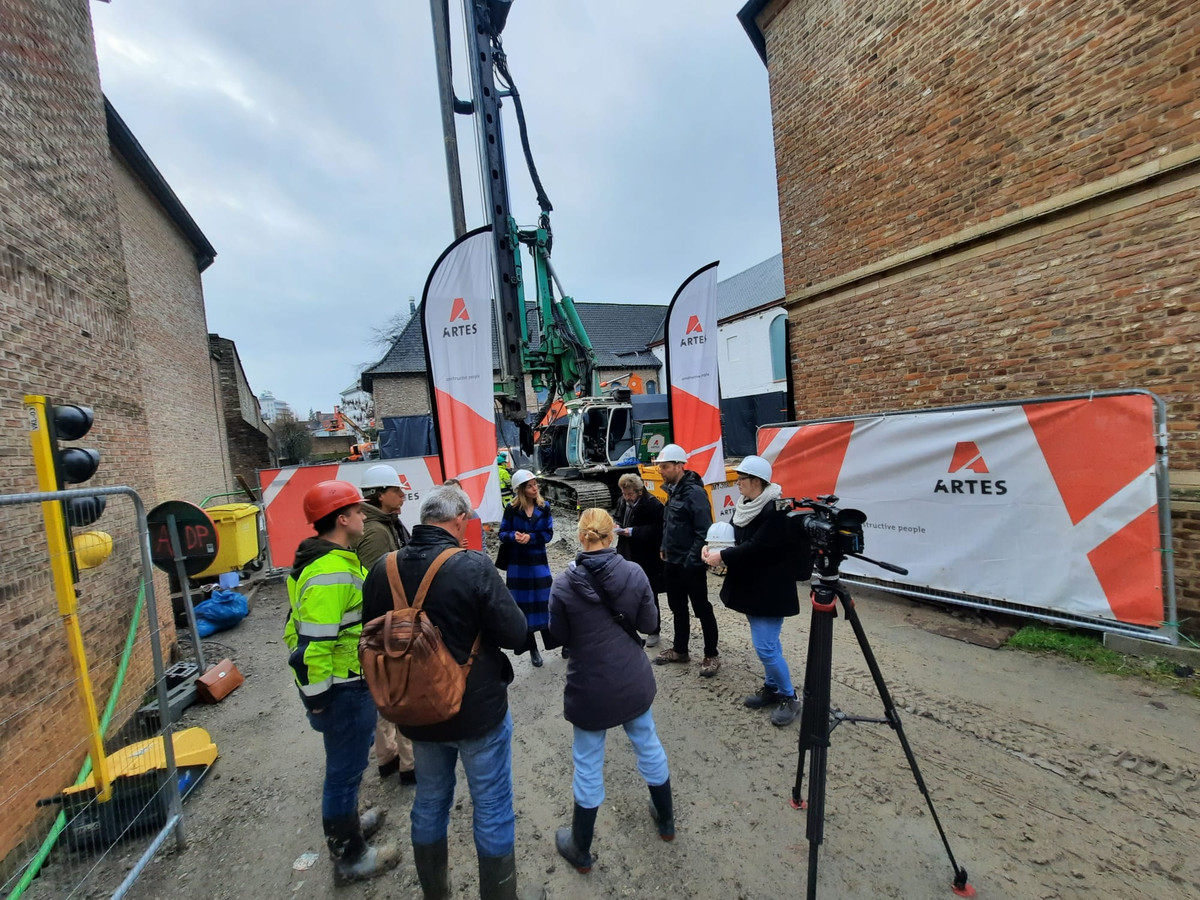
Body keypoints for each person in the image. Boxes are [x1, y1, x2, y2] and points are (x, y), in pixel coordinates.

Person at [360, 486, 544, 900]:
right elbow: (516, 633)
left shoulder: (381, 568)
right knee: (492, 806)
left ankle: (435, 894)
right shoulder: (473, 566)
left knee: (429, 801)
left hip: (416, 711)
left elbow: (371, 636)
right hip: (477, 710)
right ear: (459, 519)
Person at [284, 480, 399, 884]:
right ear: (341, 519)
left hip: (347, 682)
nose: (364, 516)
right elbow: (312, 645)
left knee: (348, 765)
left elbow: (294, 628)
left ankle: (350, 823)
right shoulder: (331, 571)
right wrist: (319, 700)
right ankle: (350, 858)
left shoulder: (330, 560)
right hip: (342, 688)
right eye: (357, 510)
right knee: (343, 772)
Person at [548, 509, 674, 874]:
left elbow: (559, 636)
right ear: (612, 536)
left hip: (590, 687)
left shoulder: (563, 584)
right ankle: (666, 822)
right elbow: (650, 624)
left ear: (580, 538)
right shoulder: (634, 573)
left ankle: (580, 848)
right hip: (632, 680)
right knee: (648, 743)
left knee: (588, 763)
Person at [703, 456, 802, 726]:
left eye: (741, 480)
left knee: (766, 648)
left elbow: (756, 547)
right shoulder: (747, 505)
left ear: (756, 482)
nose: (738, 484)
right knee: (770, 644)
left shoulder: (776, 511)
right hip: (753, 587)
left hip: (771, 590)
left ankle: (790, 697)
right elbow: (735, 536)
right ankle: (772, 689)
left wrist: (722, 555)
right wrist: (712, 546)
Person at [354, 465, 416, 785]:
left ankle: (388, 757)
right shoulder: (376, 531)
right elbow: (380, 581)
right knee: (399, 692)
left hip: (383, 623)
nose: (403, 494)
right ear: (380, 494)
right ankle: (408, 764)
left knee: (386, 693)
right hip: (387, 624)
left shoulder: (383, 524)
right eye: (396, 490)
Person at [653, 444, 720, 676]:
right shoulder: (673, 491)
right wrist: (664, 546)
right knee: (677, 608)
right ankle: (680, 650)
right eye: (660, 466)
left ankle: (711, 654)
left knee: (702, 608)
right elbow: (669, 524)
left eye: (665, 466)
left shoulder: (694, 493)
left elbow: (704, 531)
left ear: (680, 466)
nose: (660, 470)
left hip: (689, 565)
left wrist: (691, 561)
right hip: (672, 562)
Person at [498, 470, 558, 667]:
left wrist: (530, 538)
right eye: (530, 486)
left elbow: (548, 534)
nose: (535, 488)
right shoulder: (511, 509)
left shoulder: (544, 507)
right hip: (518, 565)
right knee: (523, 608)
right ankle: (532, 648)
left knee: (545, 603)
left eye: (535, 484)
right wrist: (514, 536)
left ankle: (558, 642)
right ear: (521, 490)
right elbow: (502, 533)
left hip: (538, 563)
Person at [612, 472, 664, 647]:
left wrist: (633, 531)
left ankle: (654, 630)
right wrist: (617, 525)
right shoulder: (622, 501)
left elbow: (658, 530)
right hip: (626, 552)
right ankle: (629, 627)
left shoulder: (653, 504)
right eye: (624, 494)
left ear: (639, 491)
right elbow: (617, 516)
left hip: (646, 555)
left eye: (630, 494)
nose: (626, 497)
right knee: (626, 591)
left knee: (649, 592)